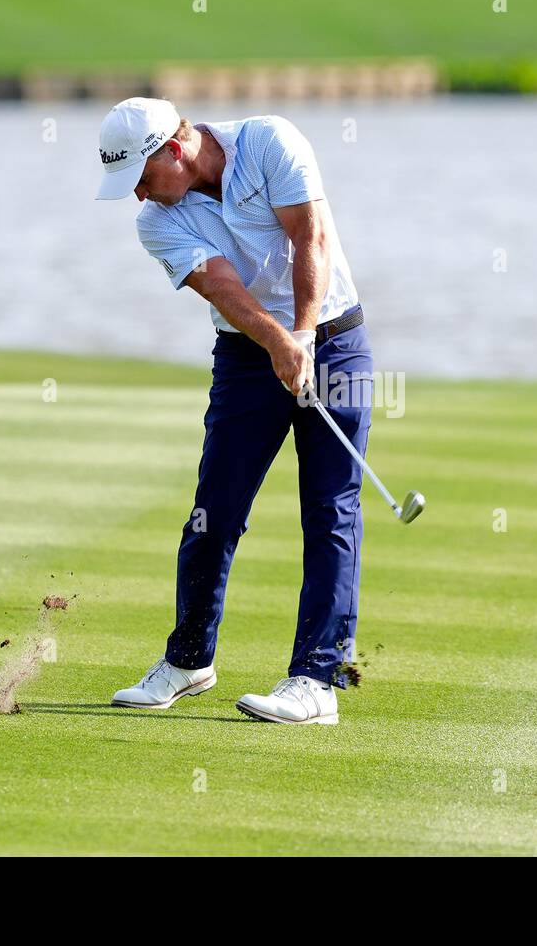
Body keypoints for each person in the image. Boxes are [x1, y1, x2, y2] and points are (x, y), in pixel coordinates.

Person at [94, 97, 372, 725]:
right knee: (212, 511)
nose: (138, 196)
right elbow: (225, 287)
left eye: (141, 178)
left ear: (173, 150)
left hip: (337, 343)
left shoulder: (272, 142)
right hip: (248, 357)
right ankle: (190, 659)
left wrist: (301, 336)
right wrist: (279, 344)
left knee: (331, 509)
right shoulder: (156, 222)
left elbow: (311, 236)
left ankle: (316, 681)